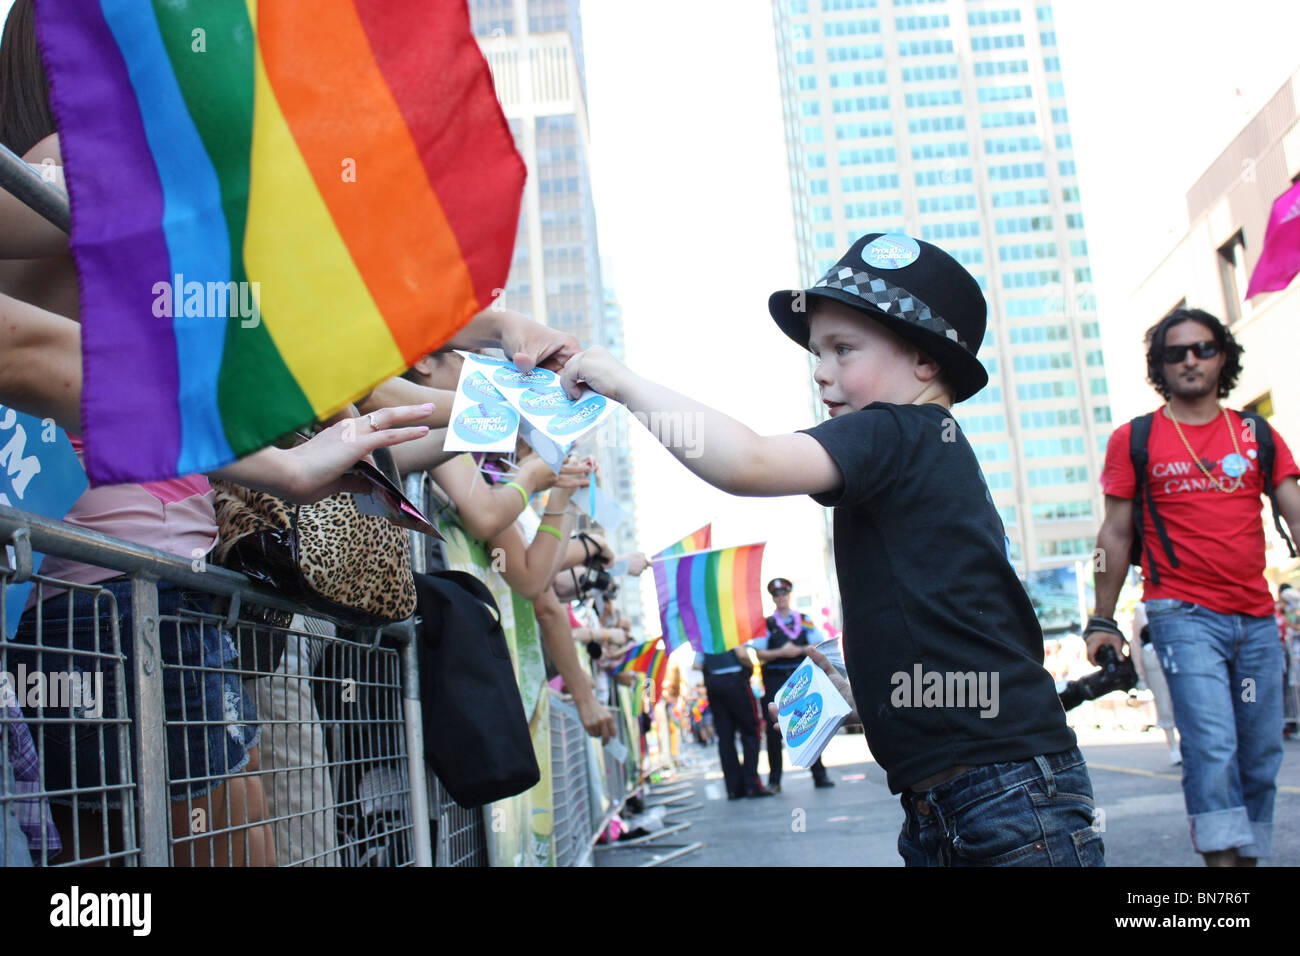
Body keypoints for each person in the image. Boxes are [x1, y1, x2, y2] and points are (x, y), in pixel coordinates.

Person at [561, 232, 1099, 865]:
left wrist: (622, 382)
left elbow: (749, 463)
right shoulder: (930, 448)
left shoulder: (895, 430)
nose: (821, 370)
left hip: (1000, 791)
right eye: (818, 352)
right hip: (966, 793)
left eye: (844, 349)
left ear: (926, 359)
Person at [1087, 307, 1300, 867]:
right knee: (1212, 747)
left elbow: (1296, 516)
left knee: (1260, 754)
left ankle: (1243, 868)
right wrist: (1102, 620)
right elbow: (1113, 533)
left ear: (1222, 355)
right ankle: (1220, 875)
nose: (1190, 360)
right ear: (1160, 365)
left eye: (1202, 348)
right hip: (1182, 615)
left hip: (1255, 618)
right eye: (1175, 352)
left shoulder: (1256, 434)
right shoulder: (1136, 439)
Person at [750, 577, 832, 792]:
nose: (780, 598)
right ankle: (774, 780)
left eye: (783, 594)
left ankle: (819, 774)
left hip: (801, 677)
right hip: (776, 679)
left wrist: (801, 649)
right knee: (774, 727)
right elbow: (760, 654)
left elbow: (818, 642)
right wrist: (781, 652)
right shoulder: (766, 623)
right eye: (776, 595)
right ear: (773, 598)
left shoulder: (803, 619)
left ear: (789, 595)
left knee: (810, 720)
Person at [696, 644, 772, 799]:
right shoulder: (730, 626)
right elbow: (742, 654)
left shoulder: (704, 633)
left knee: (725, 737)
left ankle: (734, 788)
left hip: (714, 683)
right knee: (751, 732)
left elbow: (697, 664)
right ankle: (752, 784)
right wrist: (749, 666)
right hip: (735, 681)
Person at [1130, 601, 1180, 765]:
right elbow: (1136, 643)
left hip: (1177, 654)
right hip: (1154, 660)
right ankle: (1174, 747)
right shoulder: (1141, 608)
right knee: (1164, 704)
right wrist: (1140, 673)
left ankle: (1187, 744)